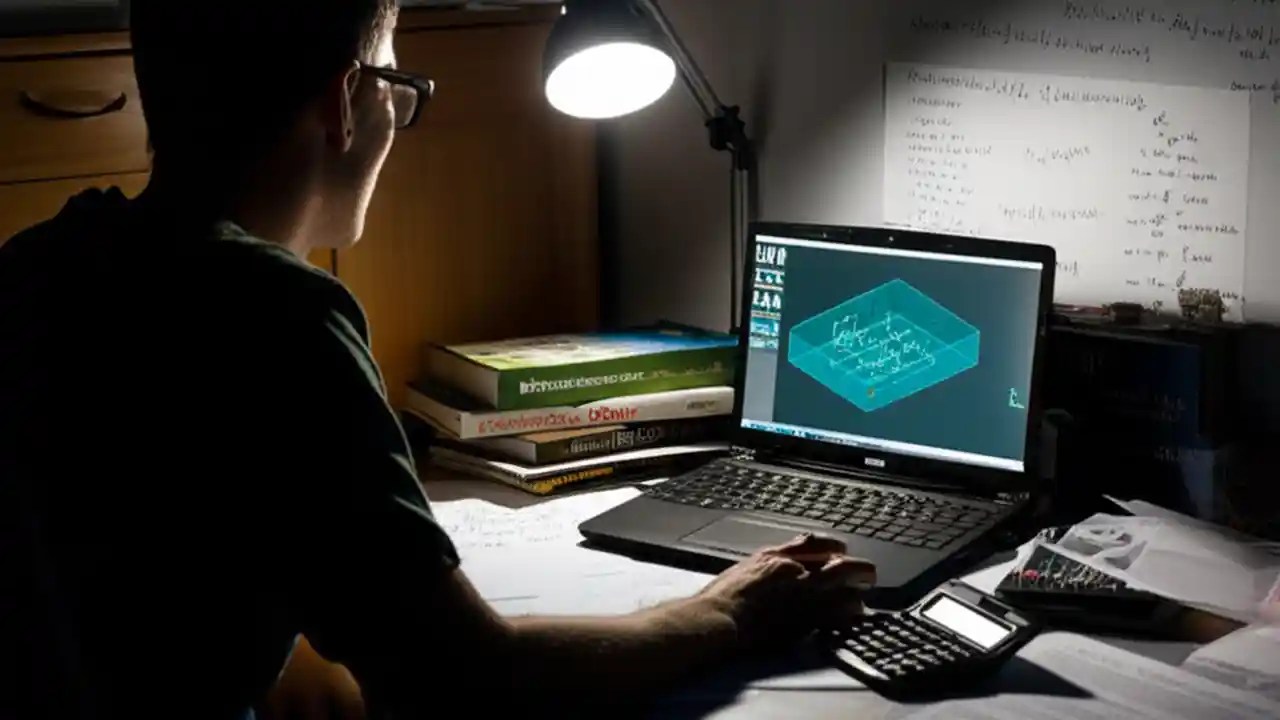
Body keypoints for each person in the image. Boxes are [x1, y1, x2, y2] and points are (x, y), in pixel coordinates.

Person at [0, 1, 877, 718]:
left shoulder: (43, 262)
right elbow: (462, 680)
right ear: (347, 99)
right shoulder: (274, 313)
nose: (397, 113)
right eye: (397, 82)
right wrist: (722, 612)